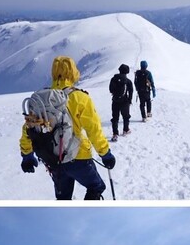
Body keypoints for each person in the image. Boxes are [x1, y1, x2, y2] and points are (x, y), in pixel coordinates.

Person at [21, 56, 115, 200]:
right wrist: (105, 154)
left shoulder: (41, 99)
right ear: (73, 72)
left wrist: (27, 155)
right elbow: (94, 130)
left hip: (53, 158)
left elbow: (29, 128)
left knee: (63, 198)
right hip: (79, 157)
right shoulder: (80, 97)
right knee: (96, 187)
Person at [109, 63, 133, 141]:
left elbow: (111, 89)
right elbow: (131, 91)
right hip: (125, 101)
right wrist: (129, 100)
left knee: (115, 118)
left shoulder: (114, 79)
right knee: (126, 116)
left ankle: (115, 134)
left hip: (115, 100)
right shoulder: (128, 81)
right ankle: (126, 130)